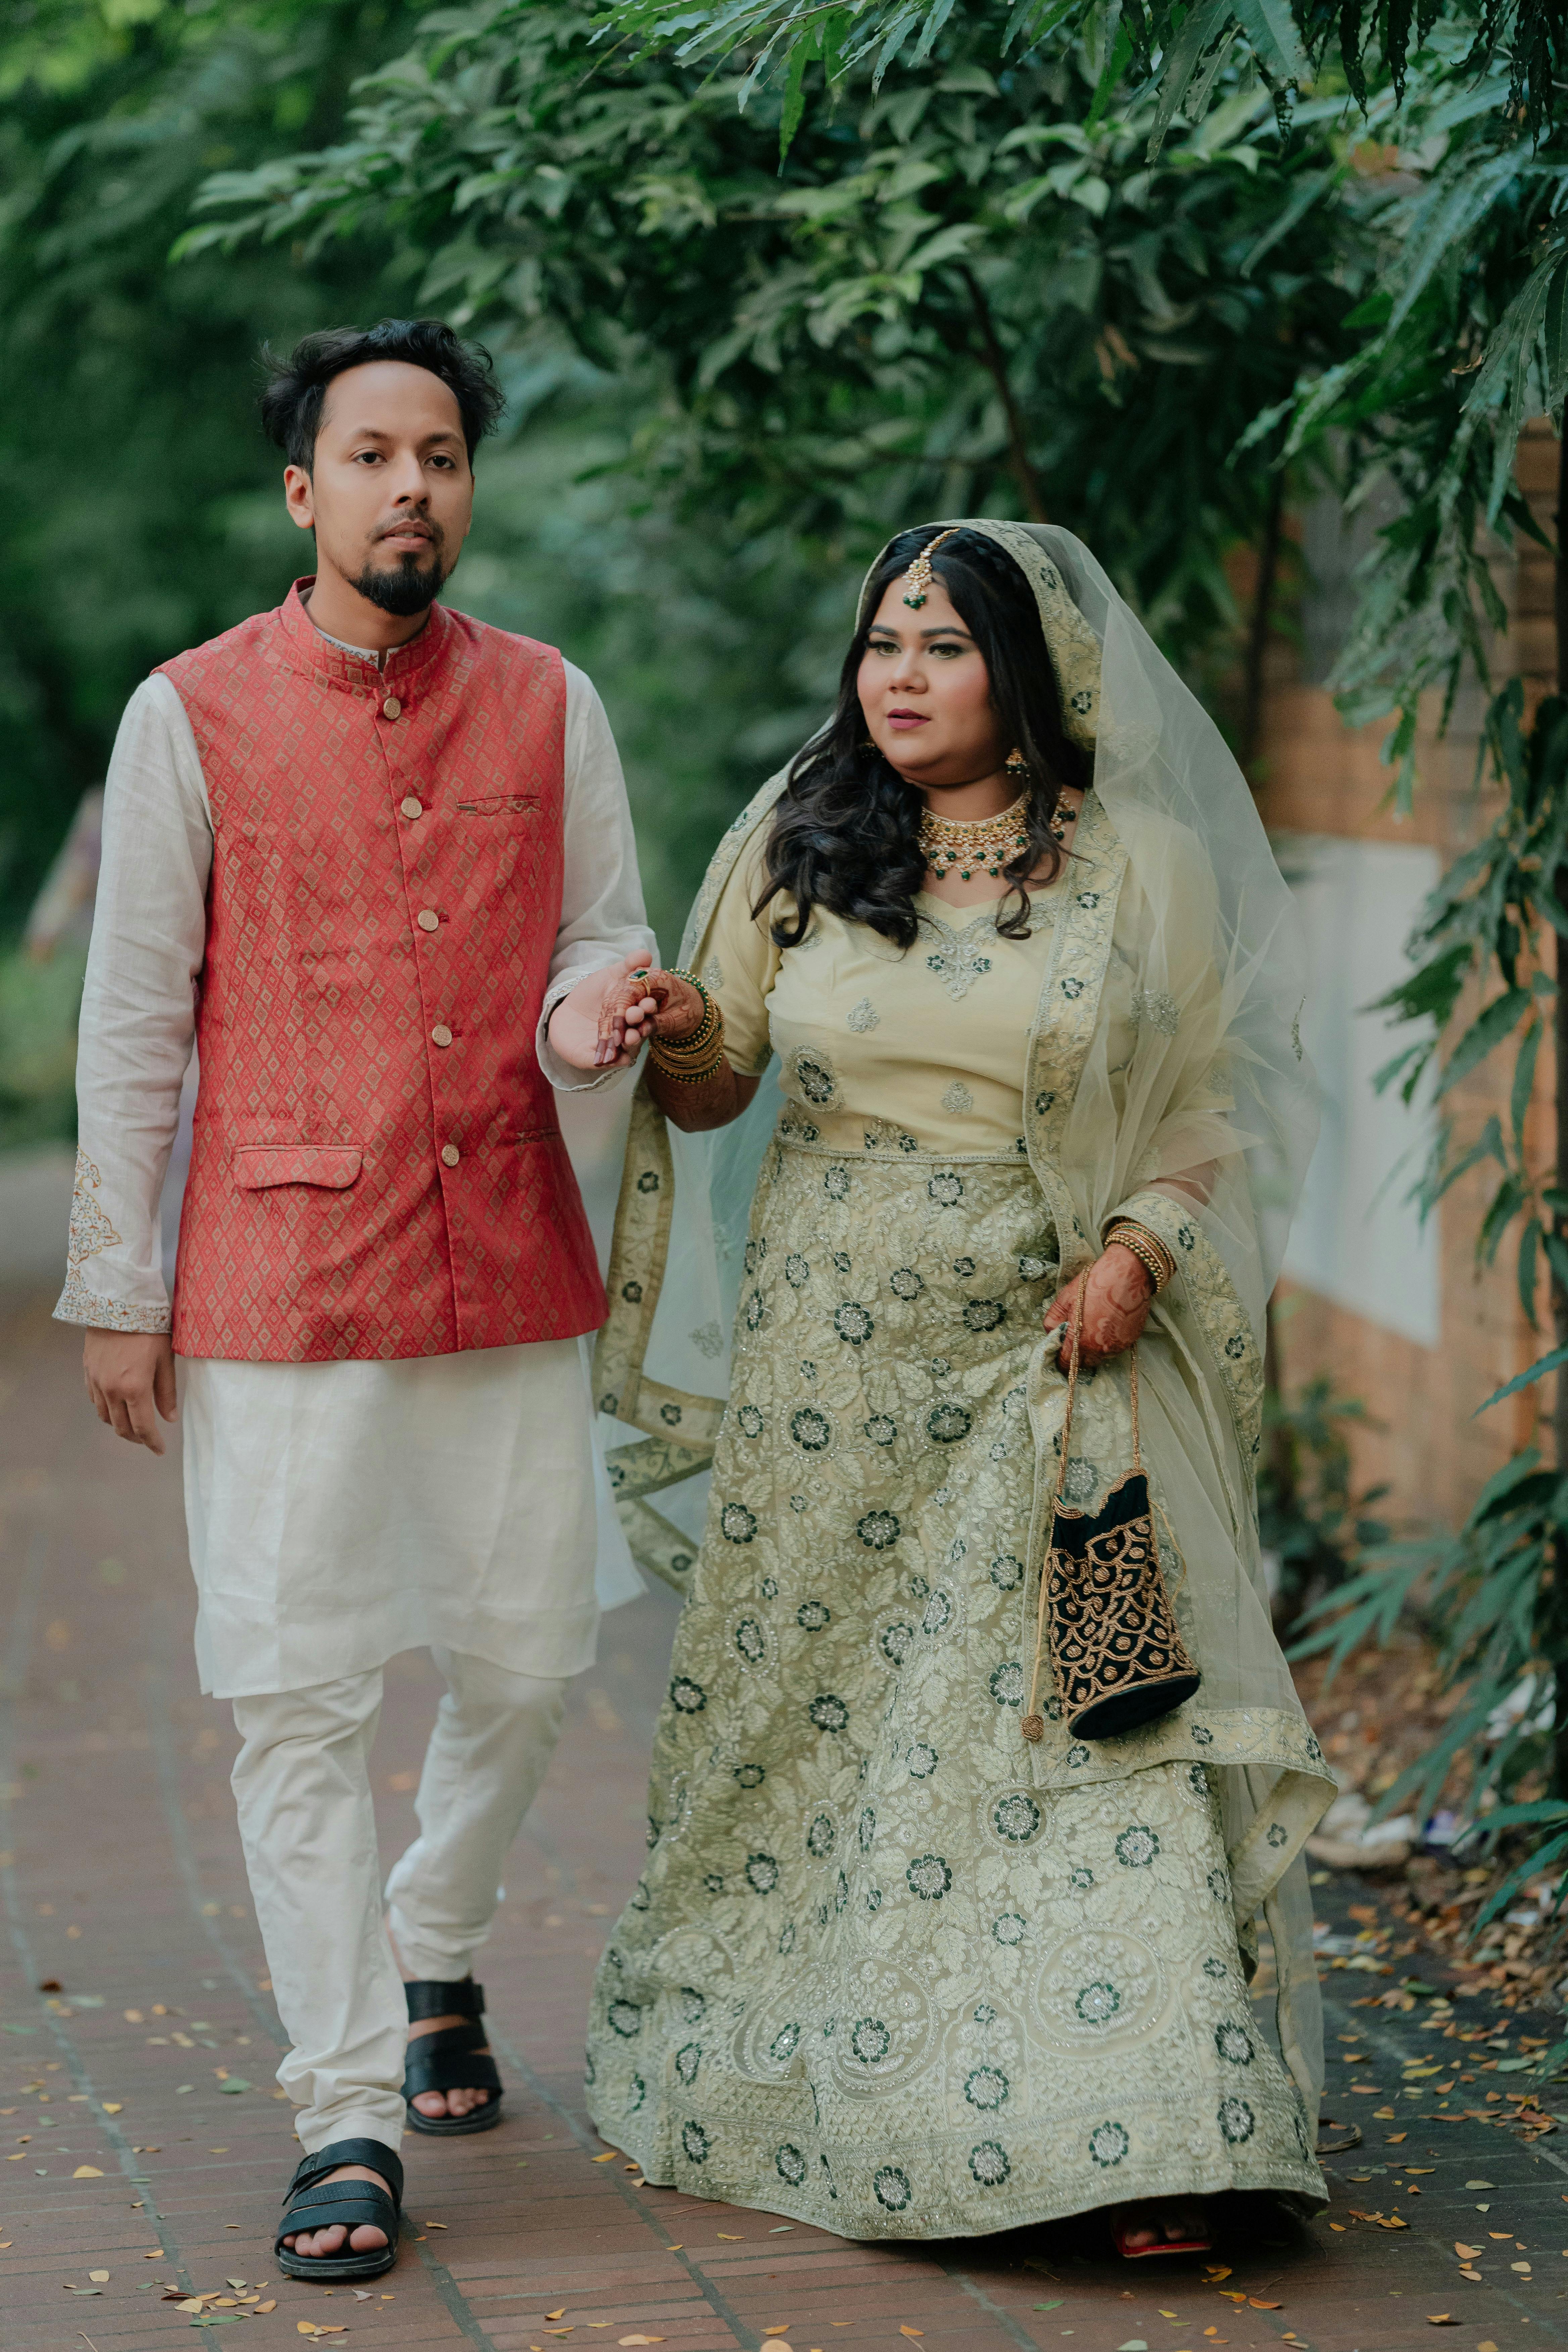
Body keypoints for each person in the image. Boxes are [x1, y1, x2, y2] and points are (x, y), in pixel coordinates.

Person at [580, 520, 1336, 2255]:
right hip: (826, 1382)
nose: (898, 679)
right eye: (881, 645)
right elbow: (716, 1092)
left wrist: (1141, 1240)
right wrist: (679, 1021)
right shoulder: (800, 840)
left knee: (1090, 1729)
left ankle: (1147, 2130)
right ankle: (842, 2058)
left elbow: (1230, 1083)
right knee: (830, 1741)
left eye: (940, 647)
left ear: (1028, 673)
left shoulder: (1138, 863)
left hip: (1051, 1358)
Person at [58, 317, 663, 2283]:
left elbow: (607, 931)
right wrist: (115, 1285)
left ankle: (441, 1944)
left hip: (506, 1268)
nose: (417, 487)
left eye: (447, 457)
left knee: (525, 1661)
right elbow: (137, 1012)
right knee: (295, 1697)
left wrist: (595, 1005)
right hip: (276, 1277)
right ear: (304, 491)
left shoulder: (555, 704)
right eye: (376, 456)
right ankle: (344, 2107)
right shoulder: (191, 713)